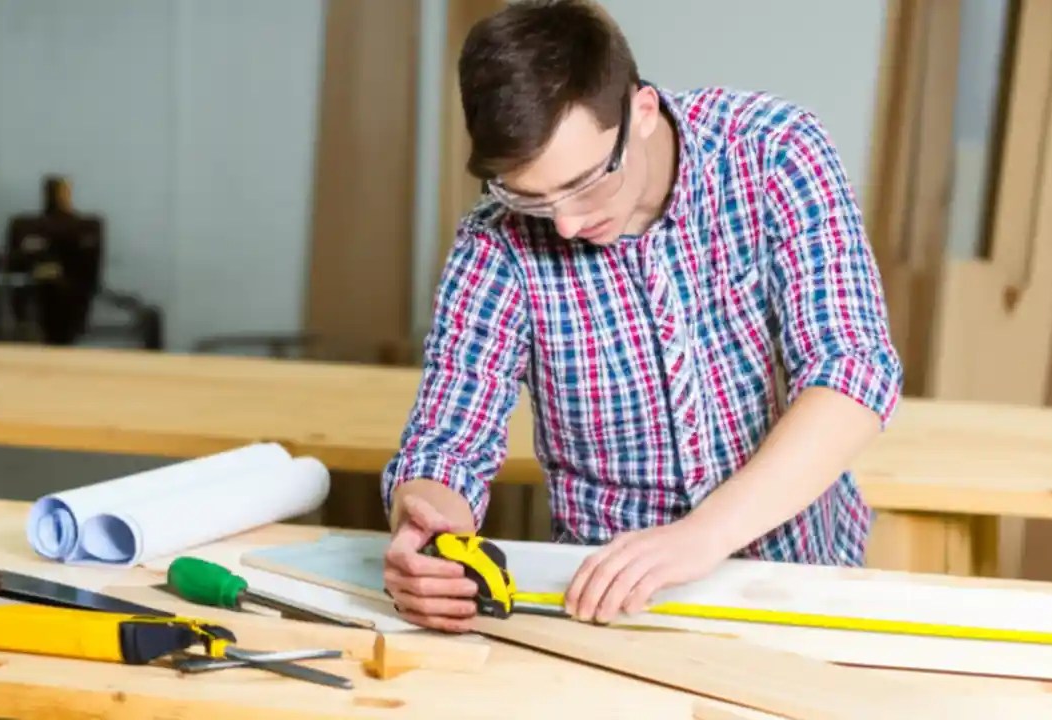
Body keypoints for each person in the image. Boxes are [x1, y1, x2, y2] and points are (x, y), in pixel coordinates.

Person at [379, 0, 903, 633]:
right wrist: (425, 523)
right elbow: (446, 446)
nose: (567, 223)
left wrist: (701, 536)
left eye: (586, 183)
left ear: (643, 112)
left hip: (796, 582)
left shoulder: (774, 152)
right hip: (607, 607)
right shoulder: (496, 241)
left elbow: (852, 372)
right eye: (531, 198)